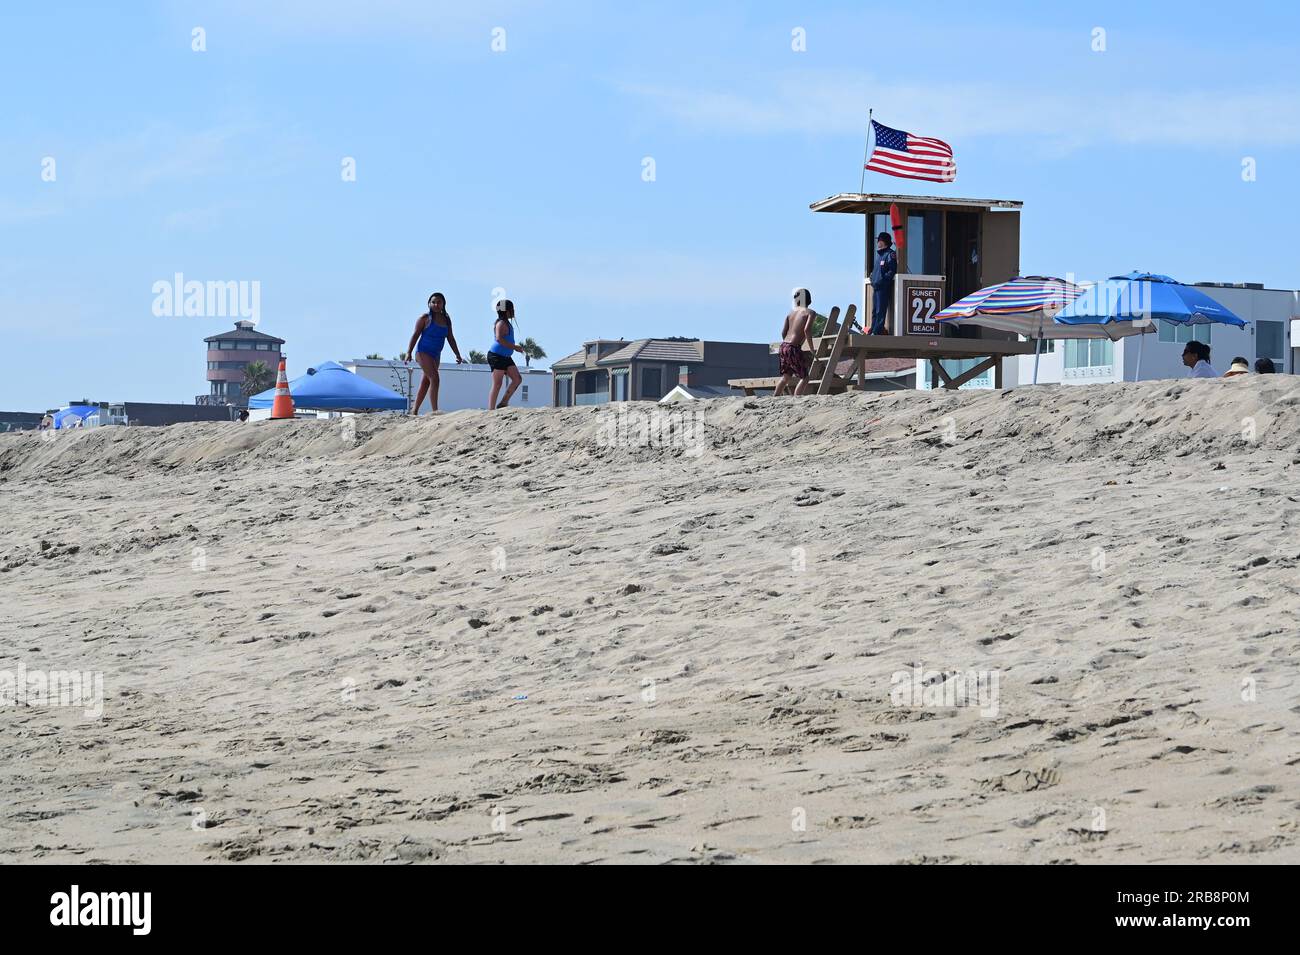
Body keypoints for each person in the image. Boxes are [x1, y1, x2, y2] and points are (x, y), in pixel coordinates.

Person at [403, 292, 465, 414]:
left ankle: (414, 410)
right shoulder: (425, 318)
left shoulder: (447, 319)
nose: (436, 304)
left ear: (443, 304)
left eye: (439, 302)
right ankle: (435, 411)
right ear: (429, 304)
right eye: (433, 302)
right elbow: (415, 335)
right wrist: (409, 352)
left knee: (426, 382)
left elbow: (450, 338)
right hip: (422, 352)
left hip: (436, 354)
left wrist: (457, 354)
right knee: (435, 378)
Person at [774, 288, 816, 396]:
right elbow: (807, 330)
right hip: (793, 347)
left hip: (783, 346)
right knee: (805, 377)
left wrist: (787, 345)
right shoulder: (810, 313)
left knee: (786, 376)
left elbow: (783, 332)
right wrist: (811, 348)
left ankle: (775, 397)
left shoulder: (790, 314)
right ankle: (797, 398)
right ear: (809, 300)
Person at [486, 299, 525, 409]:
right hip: (496, 356)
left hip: (506, 357)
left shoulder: (508, 323)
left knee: (517, 379)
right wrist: (515, 347)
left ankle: (504, 402)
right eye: (512, 309)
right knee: (497, 384)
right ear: (507, 311)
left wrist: (515, 347)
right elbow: (499, 339)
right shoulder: (501, 323)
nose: (514, 311)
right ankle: (491, 409)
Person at [869, 231, 897, 335]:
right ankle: (873, 329)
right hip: (876, 287)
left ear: (884, 241)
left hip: (883, 288)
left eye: (879, 240)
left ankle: (877, 331)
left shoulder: (890, 254)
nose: (878, 242)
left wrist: (883, 280)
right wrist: (872, 279)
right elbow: (875, 271)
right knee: (874, 311)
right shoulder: (879, 255)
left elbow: (892, 270)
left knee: (880, 311)